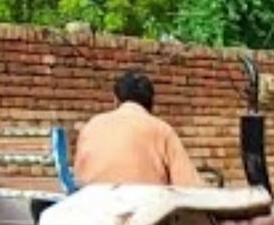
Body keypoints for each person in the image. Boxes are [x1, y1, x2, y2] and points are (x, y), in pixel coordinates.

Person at [73, 69, 204, 187]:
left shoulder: (91, 126)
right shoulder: (161, 130)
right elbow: (190, 186)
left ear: (116, 100)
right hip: (146, 205)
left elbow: (78, 179)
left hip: (94, 203)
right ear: (151, 104)